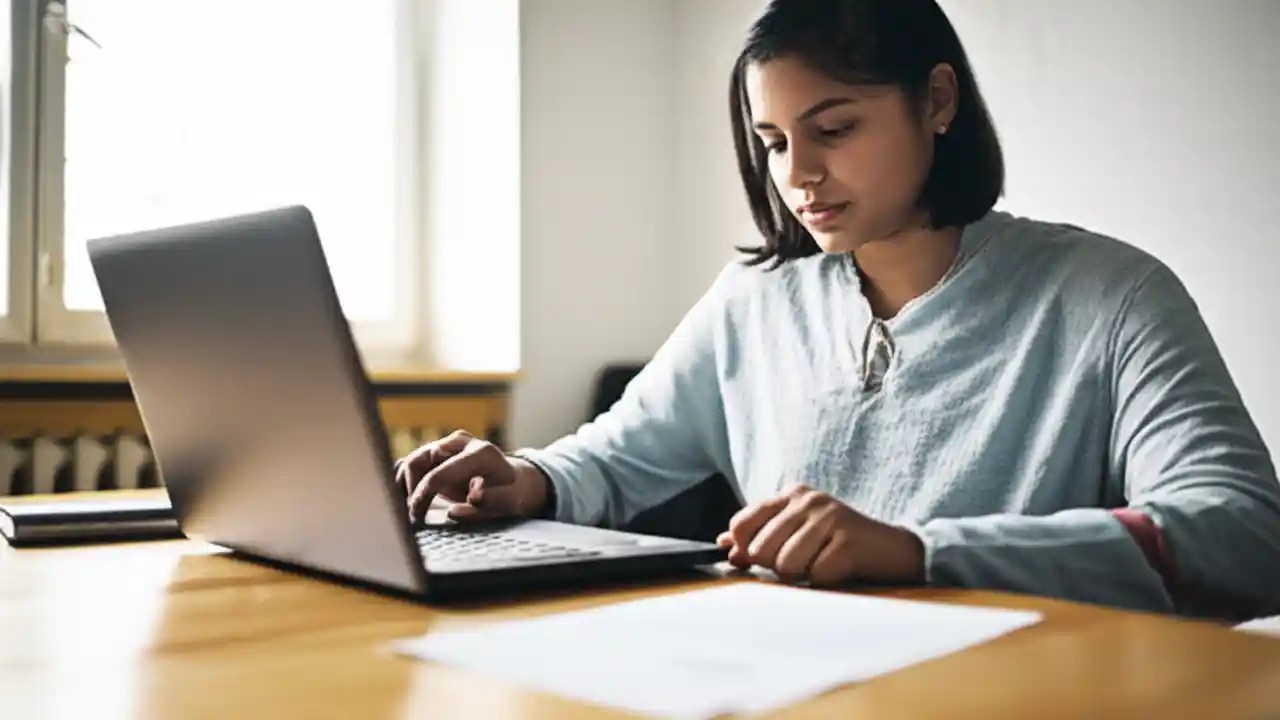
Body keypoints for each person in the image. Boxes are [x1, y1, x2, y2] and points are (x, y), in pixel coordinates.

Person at [394, 0, 1280, 620]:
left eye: (835, 129)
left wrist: (920, 550)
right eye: (774, 143)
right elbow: (614, 461)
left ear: (937, 102)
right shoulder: (753, 304)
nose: (797, 176)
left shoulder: (1110, 297)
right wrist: (524, 478)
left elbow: (1242, 535)